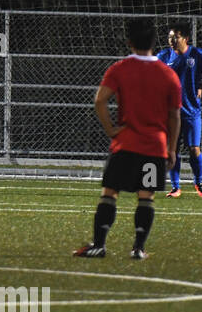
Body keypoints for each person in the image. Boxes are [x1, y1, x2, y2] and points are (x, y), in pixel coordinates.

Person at [74, 18, 181, 260]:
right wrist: (171, 149)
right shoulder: (168, 75)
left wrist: (111, 129)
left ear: (129, 41)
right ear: (154, 42)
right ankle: (138, 248)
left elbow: (100, 100)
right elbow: (175, 116)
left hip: (125, 145)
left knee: (109, 193)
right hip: (154, 148)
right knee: (146, 196)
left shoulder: (119, 69)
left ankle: (99, 245)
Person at [157, 23, 202, 197]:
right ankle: (175, 186)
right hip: (171, 113)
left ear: (185, 39)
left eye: (175, 37)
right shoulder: (164, 56)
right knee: (173, 150)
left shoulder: (196, 54)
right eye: (170, 37)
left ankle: (199, 182)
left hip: (191, 110)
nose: (171, 40)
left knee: (194, 148)